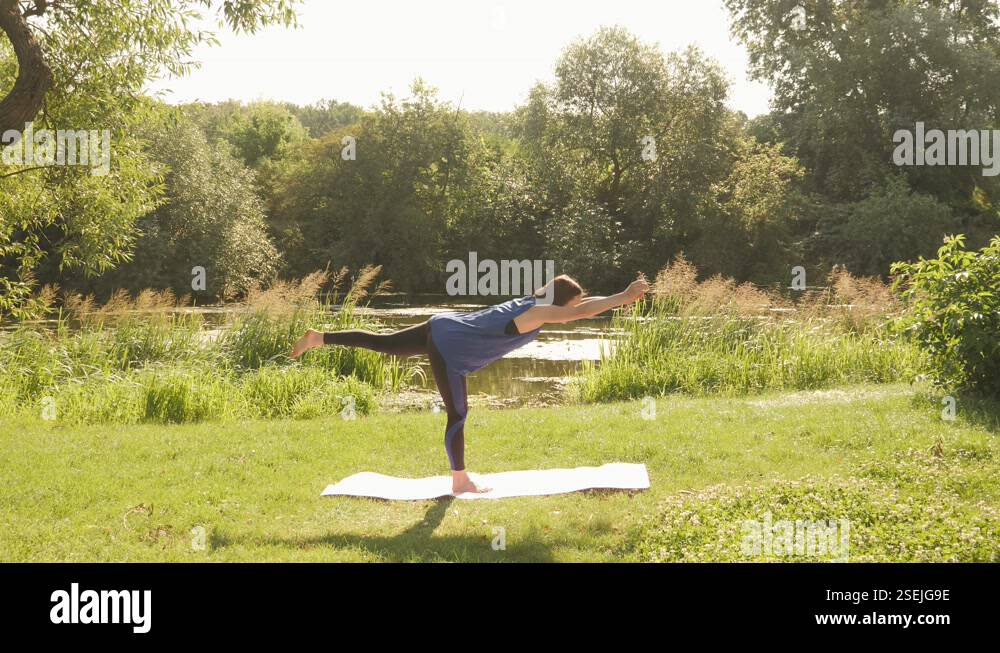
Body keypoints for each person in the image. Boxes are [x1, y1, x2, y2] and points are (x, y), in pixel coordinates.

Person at [290, 273, 650, 495]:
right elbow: (582, 311)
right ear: (559, 303)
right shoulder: (537, 313)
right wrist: (624, 295)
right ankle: (460, 480)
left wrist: (615, 298)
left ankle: (319, 337)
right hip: (451, 348)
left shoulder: (533, 303)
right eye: (569, 306)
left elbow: (581, 306)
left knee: (385, 345)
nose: (571, 314)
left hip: (443, 326)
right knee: (458, 414)